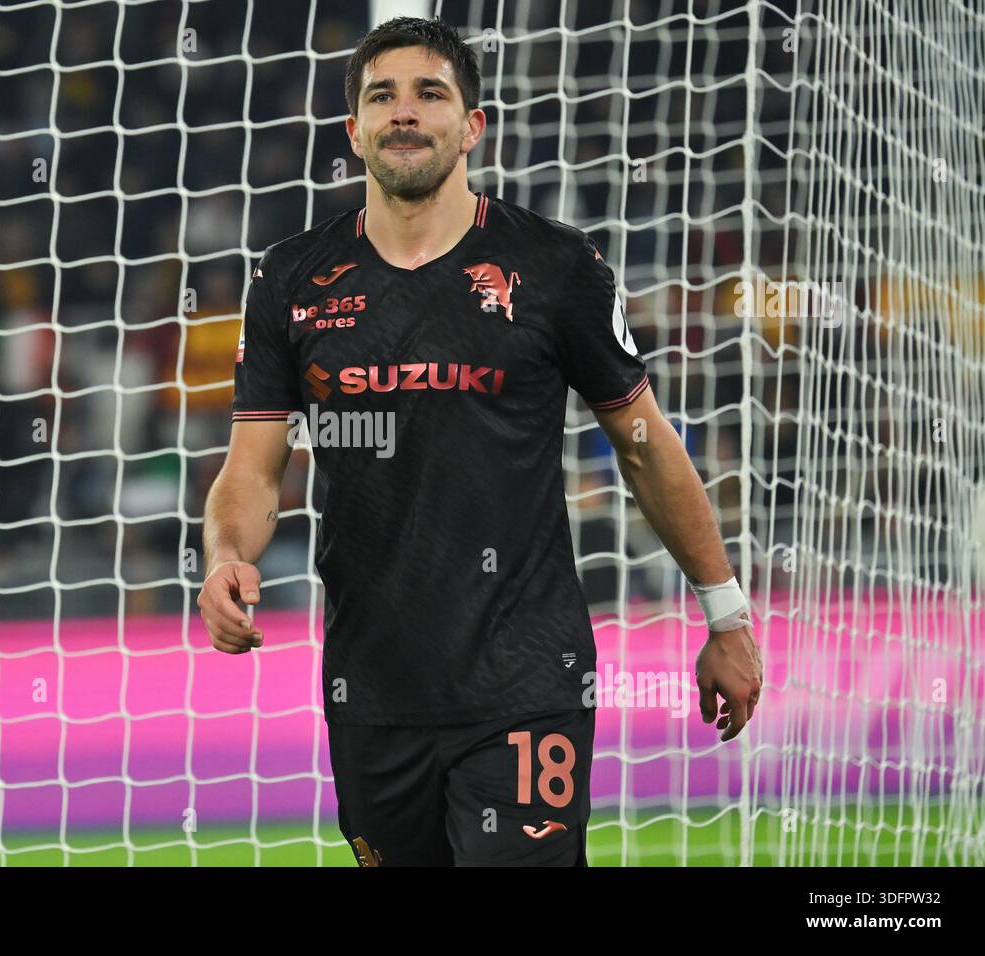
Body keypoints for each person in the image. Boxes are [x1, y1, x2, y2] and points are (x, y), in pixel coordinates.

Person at [198, 16, 762, 866]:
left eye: (432, 94)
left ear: (473, 126)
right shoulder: (291, 279)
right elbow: (253, 467)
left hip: (526, 678)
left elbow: (644, 446)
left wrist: (725, 615)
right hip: (372, 686)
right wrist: (225, 556)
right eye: (382, 96)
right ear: (354, 131)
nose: (405, 113)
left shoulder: (557, 266)